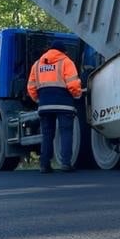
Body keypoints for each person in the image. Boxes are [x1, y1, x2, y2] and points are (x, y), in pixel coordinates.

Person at [27, 39, 83, 173]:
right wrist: (77, 95)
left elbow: (31, 87)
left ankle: (44, 165)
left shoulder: (37, 64)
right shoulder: (66, 62)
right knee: (65, 132)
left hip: (45, 105)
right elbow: (73, 84)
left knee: (47, 134)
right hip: (64, 104)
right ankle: (65, 164)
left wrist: (39, 100)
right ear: (63, 51)